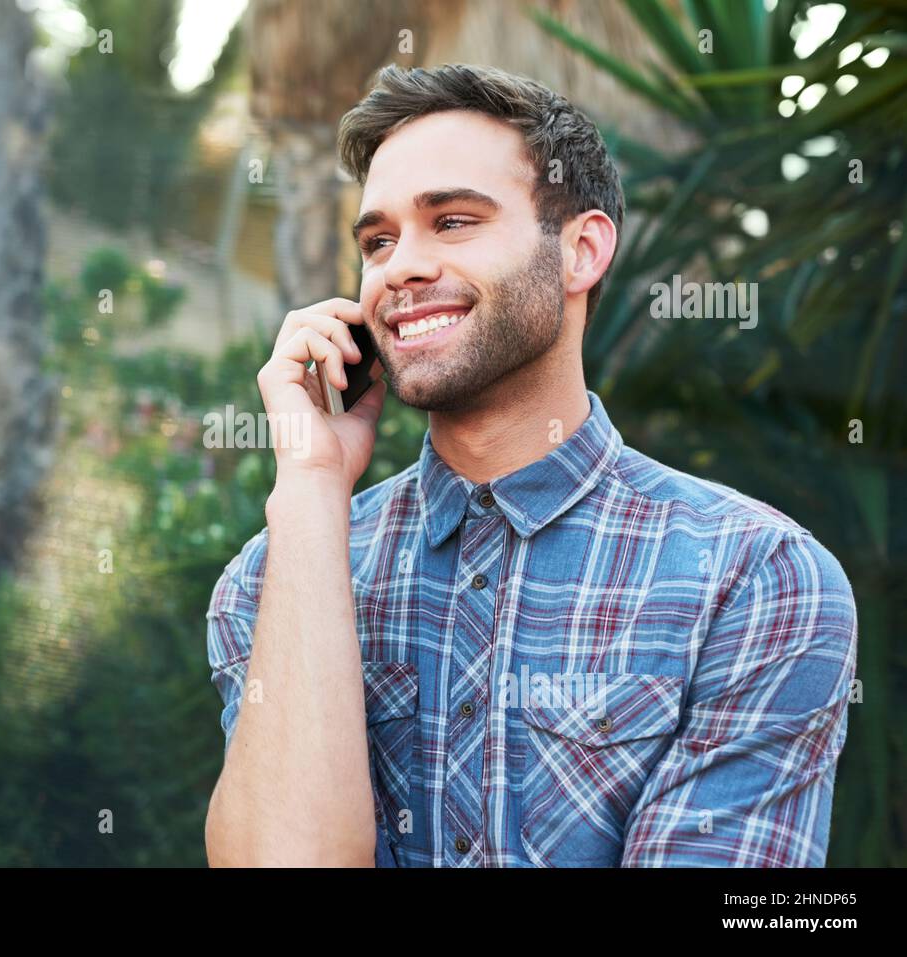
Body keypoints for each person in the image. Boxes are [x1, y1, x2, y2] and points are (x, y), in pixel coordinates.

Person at [203, 64, 858, 867]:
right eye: (378, 240)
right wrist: (309, 486)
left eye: (452, 221)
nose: (400, 267)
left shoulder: (755, 580)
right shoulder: (271, 580)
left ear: (581, 250)